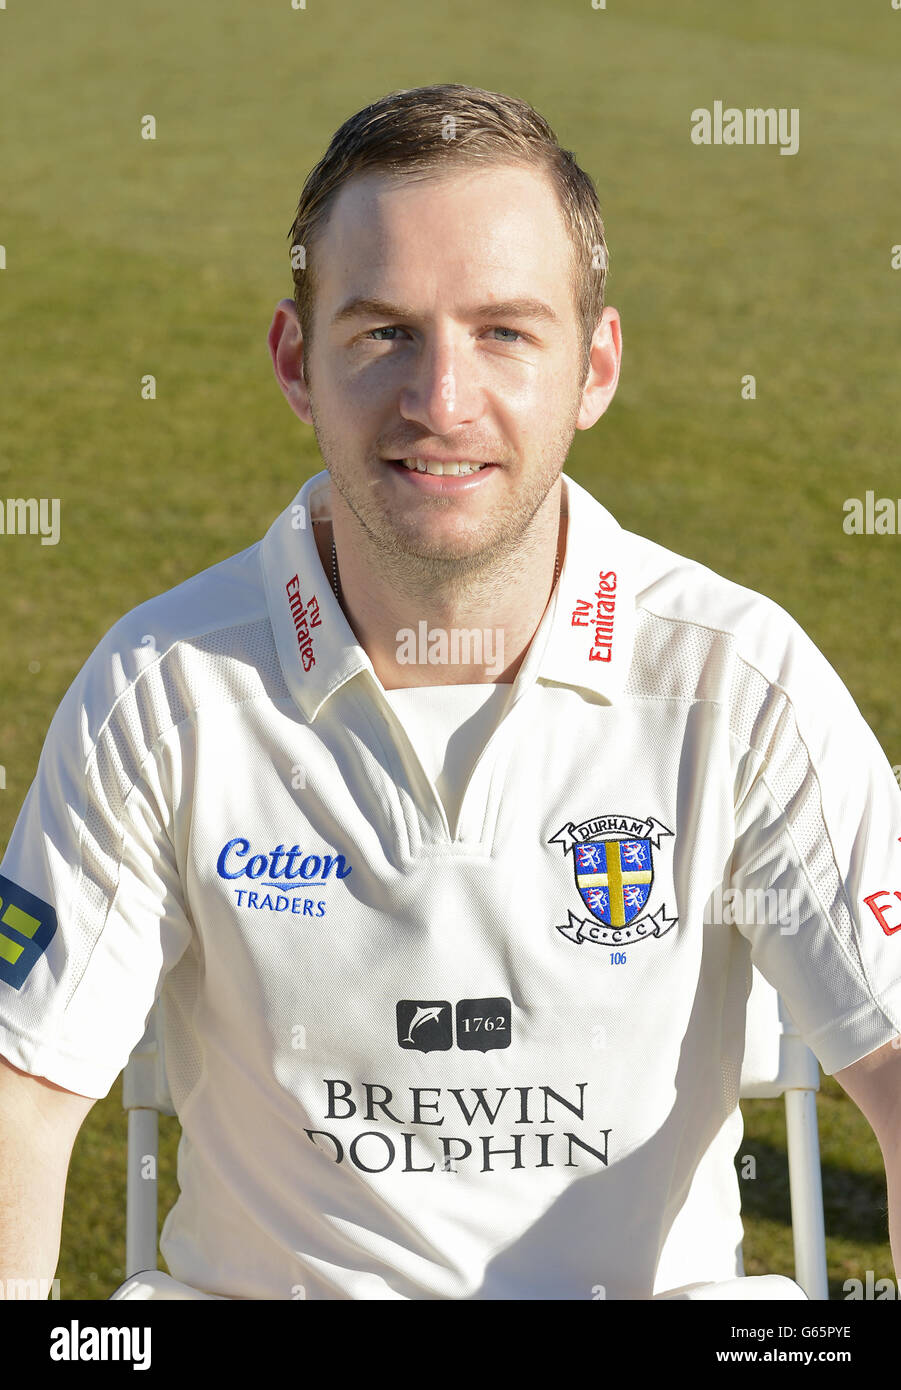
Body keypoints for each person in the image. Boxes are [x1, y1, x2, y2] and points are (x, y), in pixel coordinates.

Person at [1, 83, 900, 1302]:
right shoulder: (165, 688)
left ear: (594, 369)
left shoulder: (735, 679)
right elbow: (21, 1092)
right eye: (383, 333)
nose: (440, 401)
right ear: (294, 363)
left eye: (504, 333)